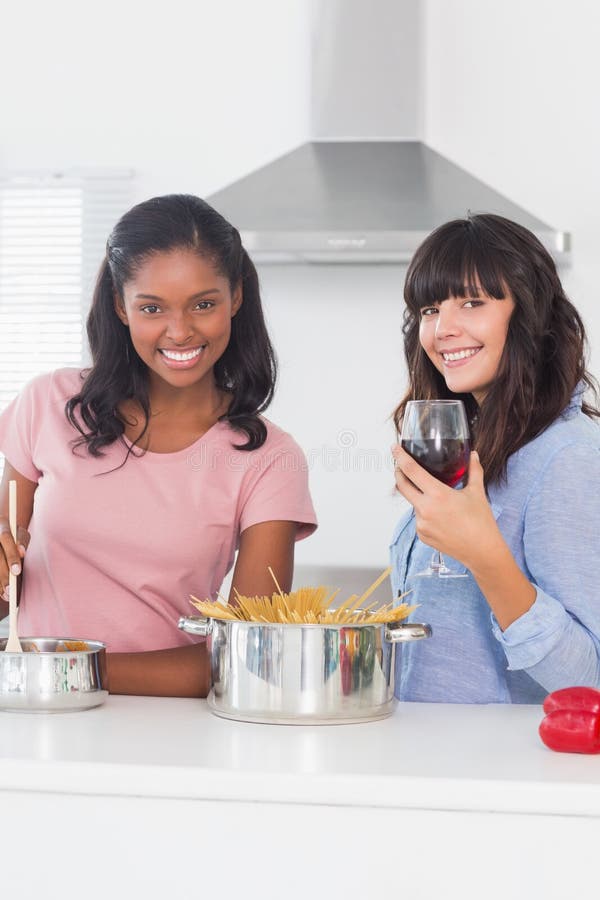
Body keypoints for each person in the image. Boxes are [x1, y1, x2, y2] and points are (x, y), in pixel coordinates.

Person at [0, 194, 317, 697]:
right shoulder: (48, 404)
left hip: (166, 735)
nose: (179, 331)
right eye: (152, 307)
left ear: (236, 297)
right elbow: (6, 595)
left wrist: (60, 672)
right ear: (120, 308)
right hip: (32, 722)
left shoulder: (268, 459)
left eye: (204, 304)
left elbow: (246, 657)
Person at [390, 213, 600, 703]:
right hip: (432, 759)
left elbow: (589, 682)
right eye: (429, 309)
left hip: (505, 772)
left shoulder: (567, 458)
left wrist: (486, 558)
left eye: (473, 302)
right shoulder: (478, 444)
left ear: (528, 315)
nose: (443, 328)